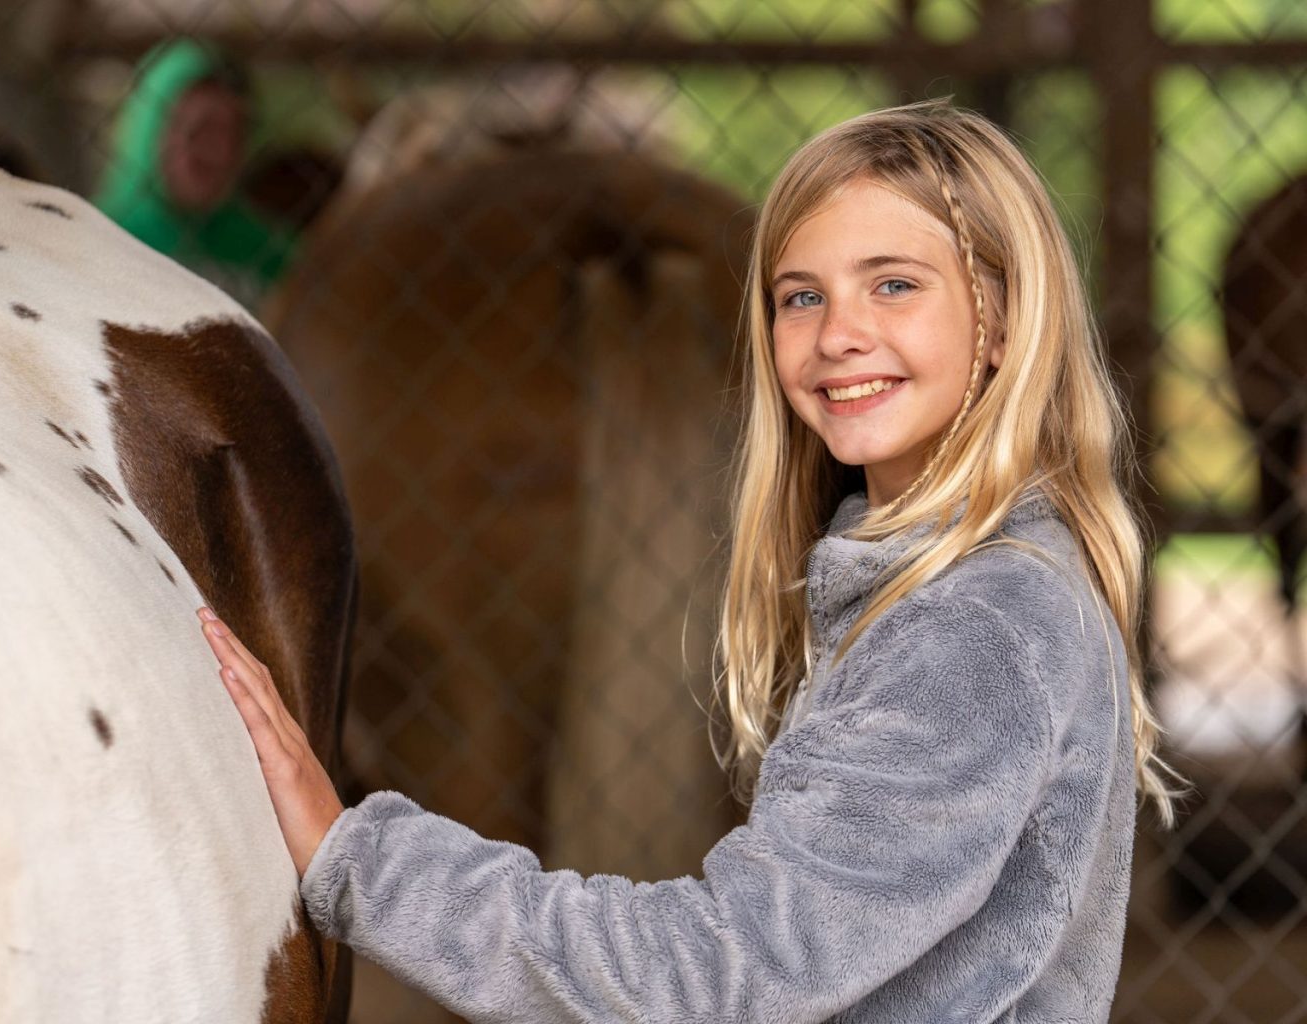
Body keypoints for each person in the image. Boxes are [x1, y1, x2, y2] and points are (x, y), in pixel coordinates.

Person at [196, 101, 1183, 1022]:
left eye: (894, 284)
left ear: (1006, 318)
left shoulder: (970, 625)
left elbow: (725, 970)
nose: (838, 335)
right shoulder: (954, 576)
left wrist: (353, 854)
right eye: (801, 296)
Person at [96, 38, 299, 310]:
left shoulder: (271, 255)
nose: (218, 152)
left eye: (234, 135)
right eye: (199, 130)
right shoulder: (96, 241)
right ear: (149, 132)